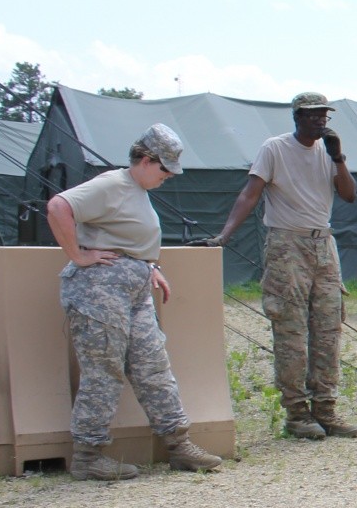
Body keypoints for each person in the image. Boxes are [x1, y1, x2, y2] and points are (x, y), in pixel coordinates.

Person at [47, 125, 224, 480]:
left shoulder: (137, 190)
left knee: (153, 365)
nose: (168, 177)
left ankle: (178, 444)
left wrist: (149, 266)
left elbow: (127, 235)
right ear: (145, 160)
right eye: (164, 169)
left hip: (133, 290)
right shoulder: (112, 184)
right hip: (99, 291)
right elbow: (58, 206)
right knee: (104, 371)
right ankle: (88, 456)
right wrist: (78, 255)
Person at [209, 92, 357, 441]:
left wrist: (338, 157)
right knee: (291, 331)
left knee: (328, 330)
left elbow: (350, 194)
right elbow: (250, 193)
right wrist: (225, 234)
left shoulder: (328, 153)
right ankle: (297, 412)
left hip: (324, 245)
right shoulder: (274, 148)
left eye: (324, 116)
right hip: (287, 244)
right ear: (297, 117)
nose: (320, 121)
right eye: (312, 115)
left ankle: (326, 409)